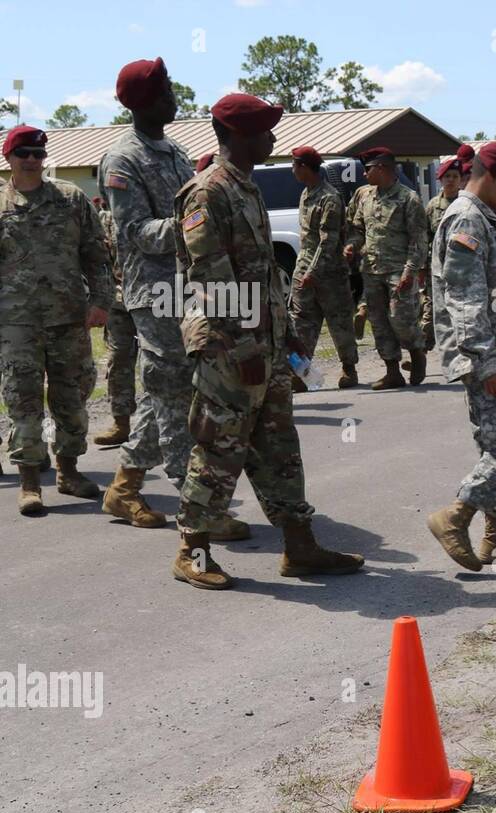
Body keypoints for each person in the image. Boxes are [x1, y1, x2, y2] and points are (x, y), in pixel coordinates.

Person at [170, 93, 364, 589]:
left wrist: (285, 330)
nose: (272, 139)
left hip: (266, 341)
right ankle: (191, 549)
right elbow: (212, 280)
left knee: (279, 445)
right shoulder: (207, 192)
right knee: (219, 446)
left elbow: (260, 274)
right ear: (238, 135)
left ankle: (299, 546)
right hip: (228, 348)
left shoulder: (247, 188)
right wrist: (246, 347)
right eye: (263, 131)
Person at [98, 58, 249, 540]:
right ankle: (196, 505)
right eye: (165, 91)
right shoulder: (122, 159)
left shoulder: (176, 150)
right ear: (146, 101)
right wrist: (198, 227)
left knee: (162, 389)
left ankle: (124, 486)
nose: (173, 96)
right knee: (179, 390)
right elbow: (135, 231)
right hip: (154, 291)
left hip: (187, 286)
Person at [426, 142, 496, 571]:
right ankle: (455, 516)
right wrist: (486, 359)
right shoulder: (466, 218)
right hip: (486, 356)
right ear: (490, 177)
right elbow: (464, 297)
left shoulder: (483, 217)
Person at [0, 125, 111, 515]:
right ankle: (30, 483)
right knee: (23, 400)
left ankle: (69, 471)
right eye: (23, 153)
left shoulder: (71, 198)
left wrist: (101, 302)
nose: (31, 160)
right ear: (8, 157)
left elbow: (96, 255)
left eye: (37, 153)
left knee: (73, 397)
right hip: (16, 323)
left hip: (68, 318)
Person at [345, 146, 428, 389]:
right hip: (371, 269)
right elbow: (358, 229)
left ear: (382, 168)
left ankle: (417, 353)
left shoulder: (408, 199)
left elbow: (419, 240)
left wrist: (410, 271)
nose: (364, 175)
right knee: (379, 322)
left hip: (398, 270)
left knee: (401, 319)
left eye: (367, 169)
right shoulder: (365, 196)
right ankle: (392, 371)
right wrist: (351, 246)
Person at [289, 145, 360, 390]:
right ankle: (300, 374)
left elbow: (328, 241)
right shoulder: (306, 194)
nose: (292, 170)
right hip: (305, 267)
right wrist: (304, 270)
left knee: (339, 322)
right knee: (302, 323)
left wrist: (313, 272)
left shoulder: (329, 198)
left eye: (295, 165)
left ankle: (349, 369)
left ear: (305, 167)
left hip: (329, 272)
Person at [91, 189, 138, 447]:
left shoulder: (156, 209)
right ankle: (121, 422)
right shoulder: (105, 218)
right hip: (119, 298)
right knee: (119, 357)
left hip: (157, 295)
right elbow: (98, 258)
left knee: (164, 360)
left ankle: (172, 420)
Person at [421, 157, 463, 355]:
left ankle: (462, 350)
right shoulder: (432, 206)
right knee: (432, 311)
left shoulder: (467, 205)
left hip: (463, 269)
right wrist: (421, 267)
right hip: (437, 269)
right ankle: (421, 352)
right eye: (447, 176)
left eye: (455, 176)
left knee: (462, 311)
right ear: (440, 179)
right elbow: (424, 238)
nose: (451, 180)